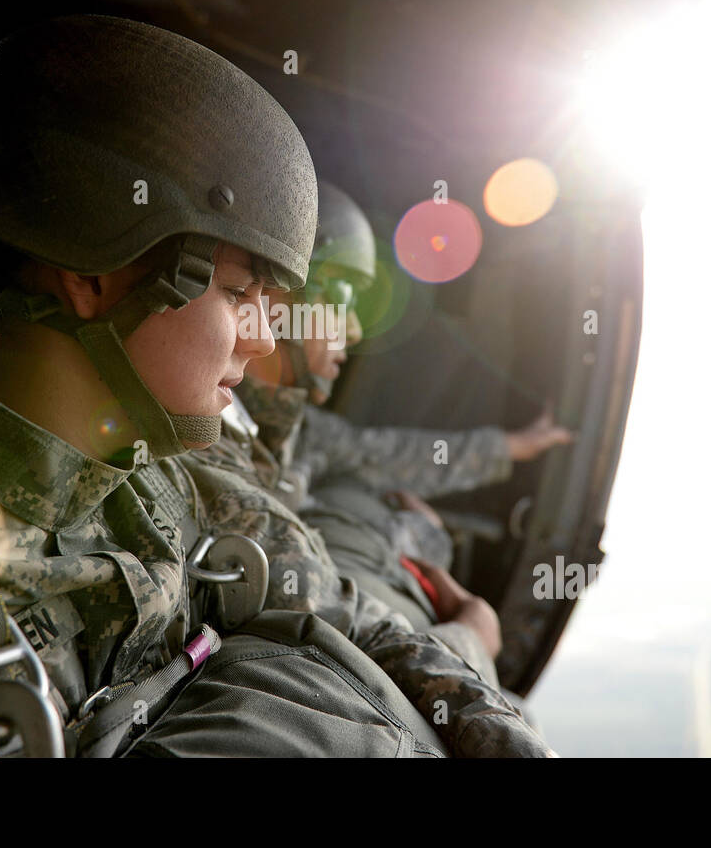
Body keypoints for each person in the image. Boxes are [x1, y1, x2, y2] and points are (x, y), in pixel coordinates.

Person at [0, 15, 551, 757]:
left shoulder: (159, 481)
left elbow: (337, 606)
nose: (269, 336)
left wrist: (495, 728)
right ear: (94, 272)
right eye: (241, 293)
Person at [202, 180, 573, 682]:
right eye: (343, 300)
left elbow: (390, 455)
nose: (352, 332)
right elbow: (343, 636)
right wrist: (473, 639)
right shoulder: (204, 432)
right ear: (286, 301)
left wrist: (511, 447)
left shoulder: (293, 429)